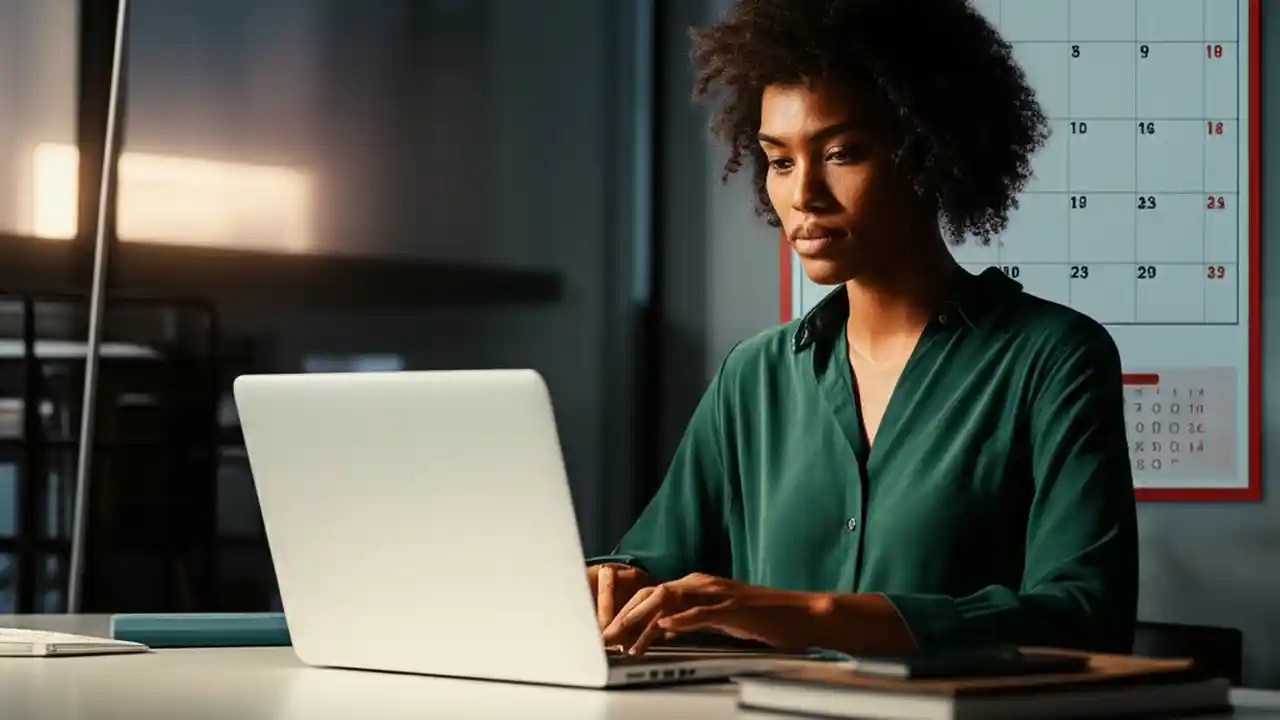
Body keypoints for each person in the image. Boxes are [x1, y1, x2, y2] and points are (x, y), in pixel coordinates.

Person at [588, 0, 1139, 659]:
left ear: (930, 150)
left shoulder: (1050, 358)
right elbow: (656, 562)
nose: (804, 195)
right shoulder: (754, 375)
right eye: (781, 161)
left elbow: (1083, 613)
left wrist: (811, 615)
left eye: (843, 153)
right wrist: (615, 582)